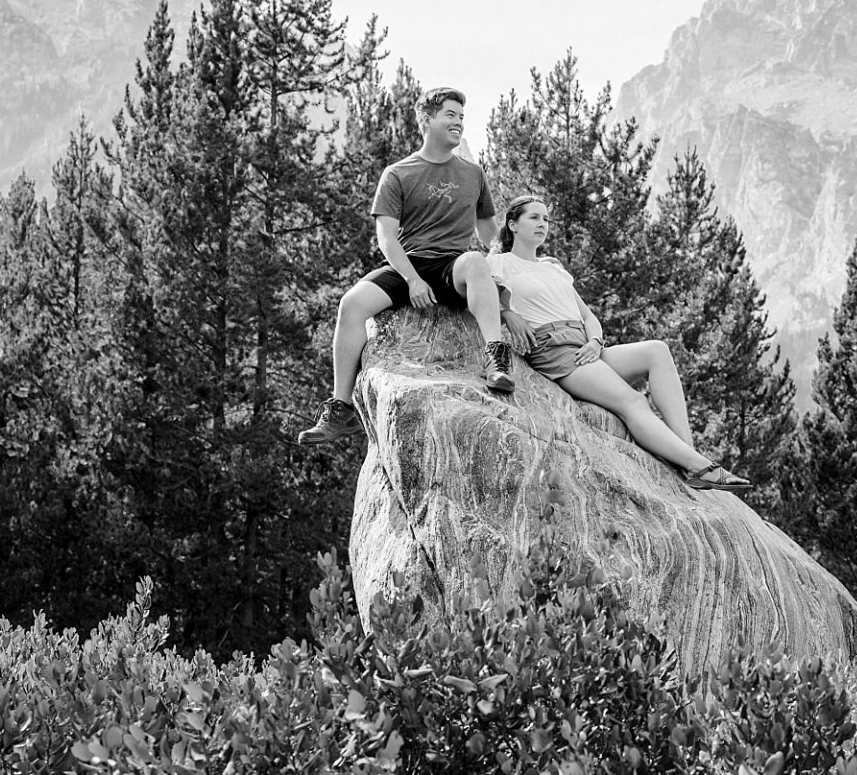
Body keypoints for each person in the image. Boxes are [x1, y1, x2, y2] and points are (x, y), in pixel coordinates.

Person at [490, 195, 753, 493]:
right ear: (512, 224)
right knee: (634, 401)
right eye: (534, 218)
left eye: (546, 219)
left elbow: (587, 314)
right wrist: (508, 313)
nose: (543, 224)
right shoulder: (499, 263)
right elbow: (475, 299)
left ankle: (688, 455)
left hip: (585, 346)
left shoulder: (553, 267)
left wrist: (595, 340)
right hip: (555, 351)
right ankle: (698, 466)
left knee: (657, 350)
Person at [298, 87, 514, 446]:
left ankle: (496, 361)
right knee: (351, 305)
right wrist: (412, 280)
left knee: (475, 261)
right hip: (409, 263)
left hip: (452, 265)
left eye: (461, 116)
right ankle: (340, 408)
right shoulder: (398, 173)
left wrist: (510, 262)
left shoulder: (473, 174)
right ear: (426, 120)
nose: (458, 122)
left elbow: (487, 230)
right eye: (450, 115)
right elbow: (387, 238)